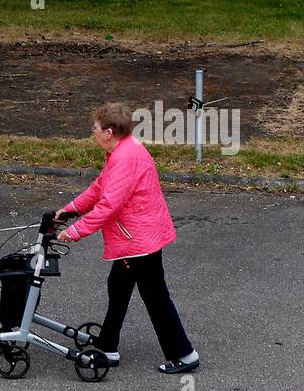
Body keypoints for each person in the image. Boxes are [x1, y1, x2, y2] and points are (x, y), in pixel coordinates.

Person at [54, 103, 199, 374]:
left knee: (155, 296)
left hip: (138, 241)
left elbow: (109, 205)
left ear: (108, 132)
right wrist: (72, 209)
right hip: (138, 237)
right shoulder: (120, 151)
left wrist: (74, 231)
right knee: (118, 288)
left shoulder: (125, 159)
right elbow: (100, 187)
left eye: (95, 128)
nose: (92, 132)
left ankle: (184, 353)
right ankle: (108, 344)